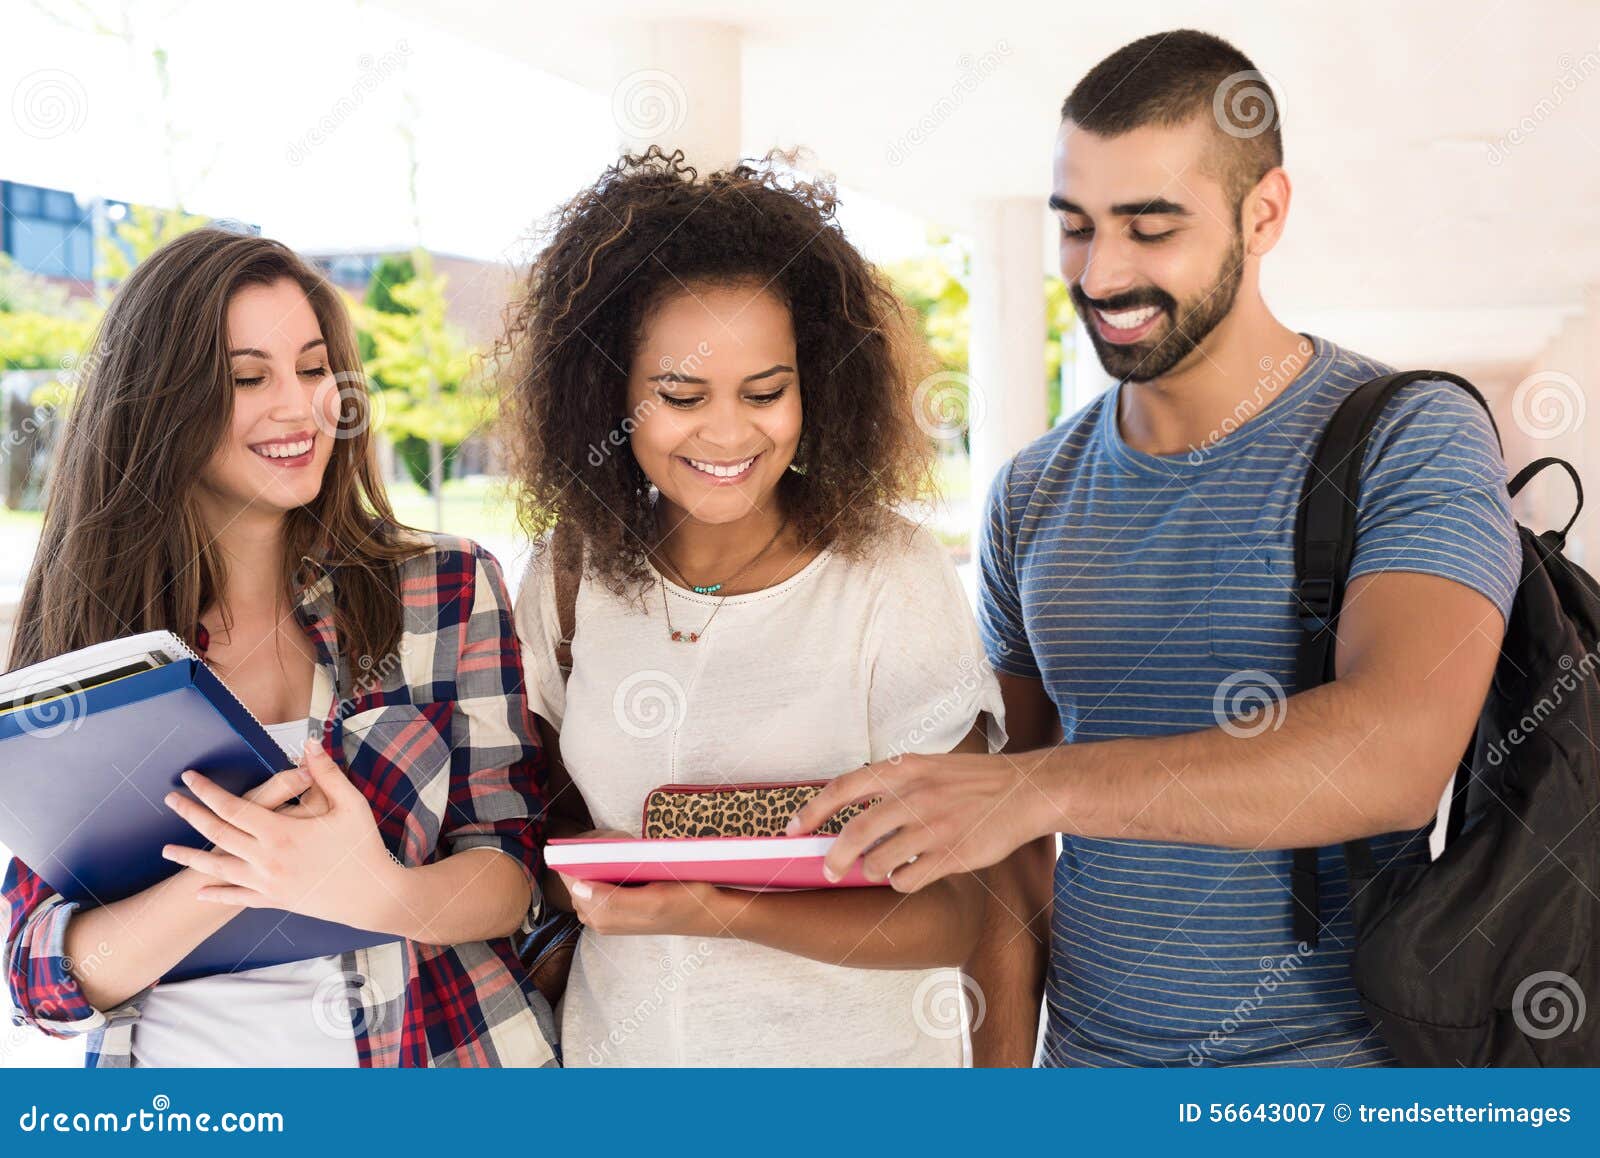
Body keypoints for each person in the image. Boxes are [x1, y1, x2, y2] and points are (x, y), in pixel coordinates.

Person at [789, 29, 1519, 1067]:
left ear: (1262, 213)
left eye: (1150, 226)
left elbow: (1393, 755)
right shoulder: (1031, 493)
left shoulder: (1410, 435)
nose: (1101, 271)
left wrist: (1040, 786)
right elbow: (1006, 856)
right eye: (1076, 227)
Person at [501, 148, 1006, 1066]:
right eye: (679, 395)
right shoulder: (569, 575)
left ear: (816, 384)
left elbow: (952, 916)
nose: (728, 433)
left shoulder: (888, 576)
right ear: (608, 392)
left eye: (766, 392)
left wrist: (718, 910)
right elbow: (546, 832)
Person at [3, 228, 556, 1067]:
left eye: (313, 369)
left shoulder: (445, 589)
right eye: (247, 378)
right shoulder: (90, 642)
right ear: (160, 402)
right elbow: (40, 975)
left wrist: (375, 890)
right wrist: (231, 875)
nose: (300, 407)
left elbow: (510, 873)